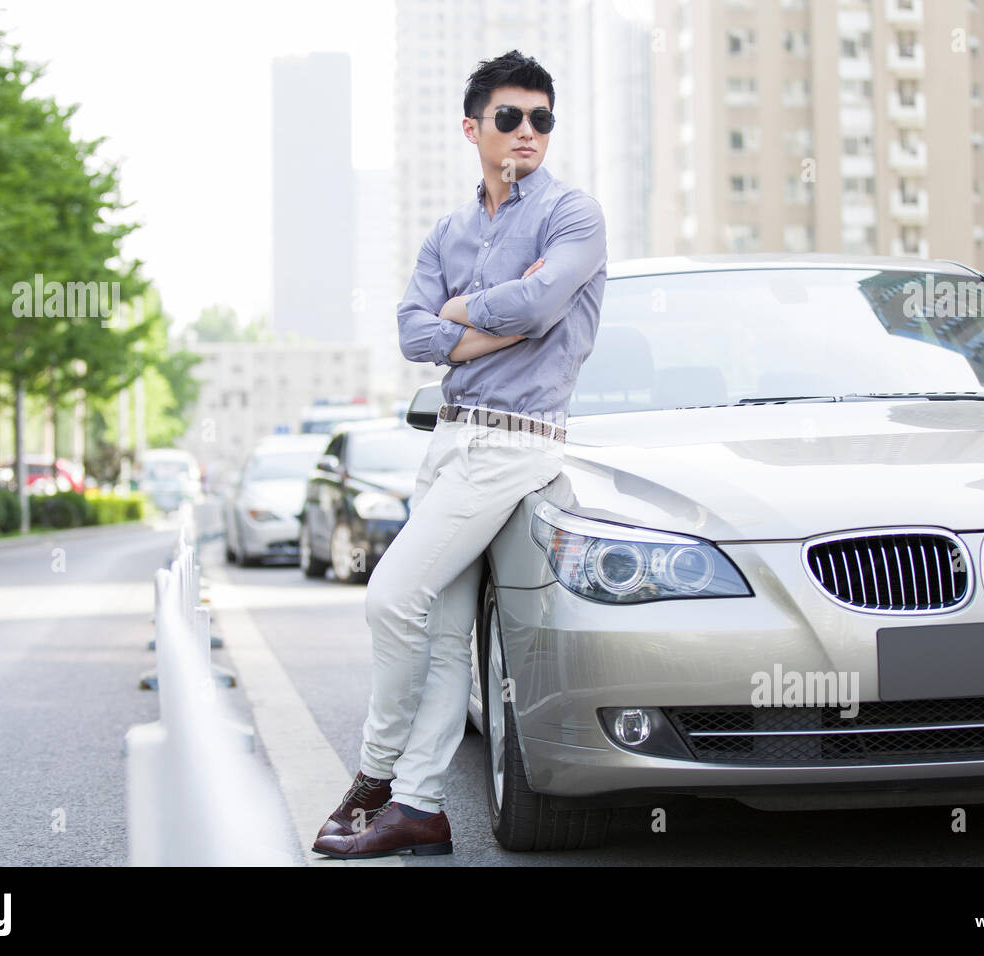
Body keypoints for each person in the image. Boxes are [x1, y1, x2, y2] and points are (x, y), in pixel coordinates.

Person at [311, 49, 607, 860]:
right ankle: (420, 807)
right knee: (441, 632)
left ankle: (372, 777)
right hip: (450, 438)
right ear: (473, 127)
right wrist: (492, 325)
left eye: (541, 119)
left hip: (515, 442)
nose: (527, 133)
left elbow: (544, 306)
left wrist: (463, 312)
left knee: (389, 597)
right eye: (510, 118)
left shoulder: (572, 216)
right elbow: (411, 331)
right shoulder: (450, 229)